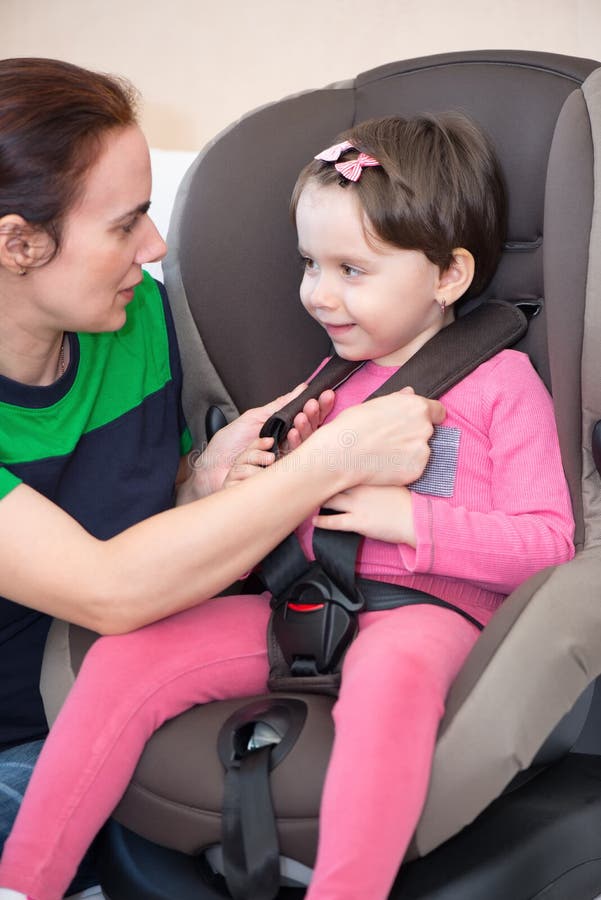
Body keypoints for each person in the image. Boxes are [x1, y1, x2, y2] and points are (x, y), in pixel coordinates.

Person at [0, 108, 574, 900]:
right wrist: (257, 475)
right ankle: (25, 882)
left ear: (447, 276)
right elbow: (265, 519)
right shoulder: (325, 384)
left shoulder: (500, 385)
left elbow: (550, 547)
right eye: (309, 264)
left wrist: (409, 520)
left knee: (390, 682)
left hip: (422, 613)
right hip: (302, 607)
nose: (317, 295)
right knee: (125, 659)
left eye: (351, 271)